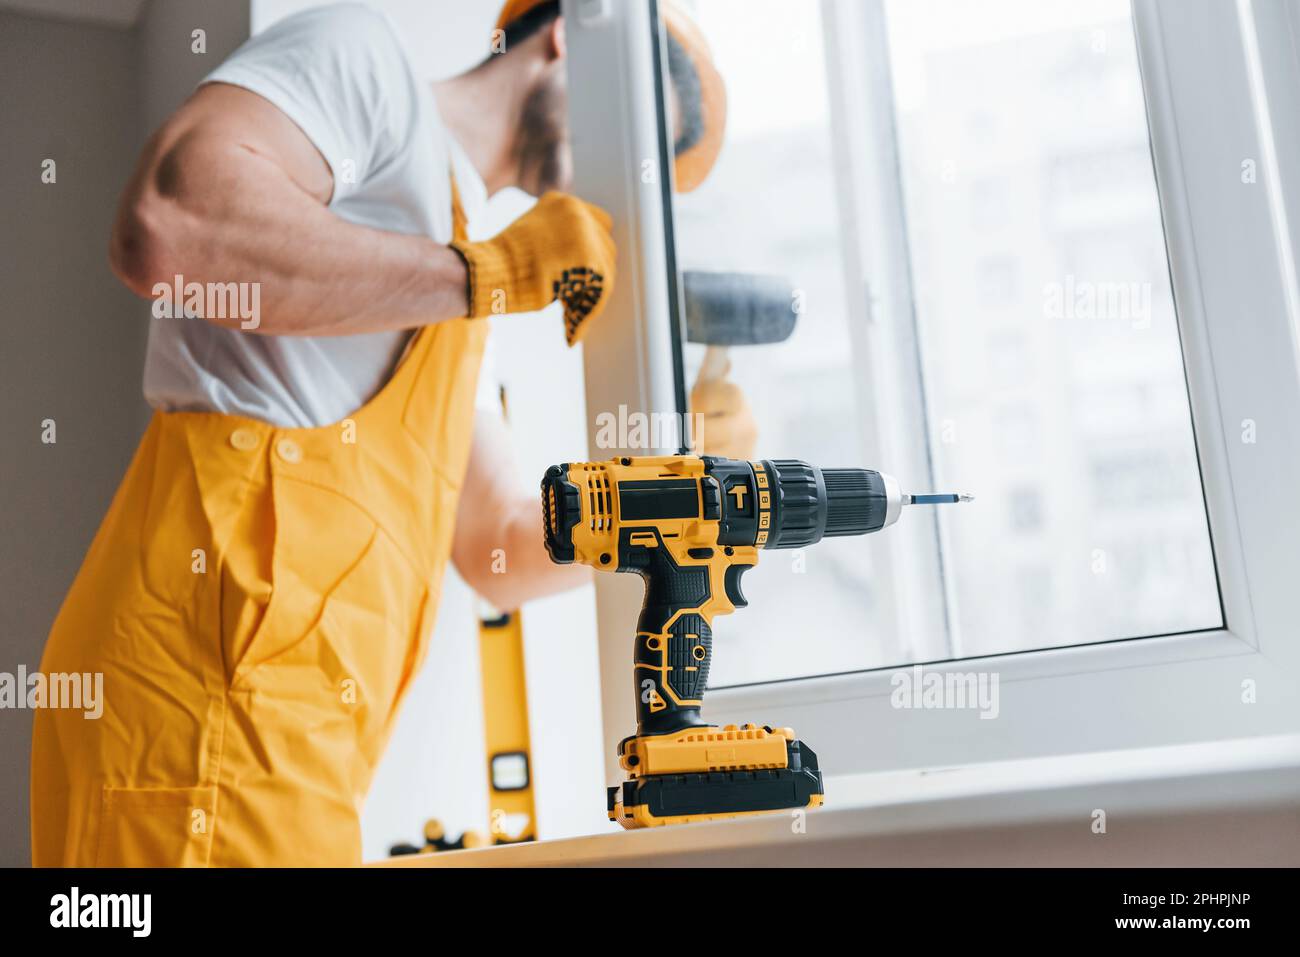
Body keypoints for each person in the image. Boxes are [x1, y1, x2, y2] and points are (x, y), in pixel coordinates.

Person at [31, 0, 746, 866]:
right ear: (564, 37)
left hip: (287, 733)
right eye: (634, 134)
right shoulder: (365, 62)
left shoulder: (456, 292)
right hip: (202, 698)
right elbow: (170, 229)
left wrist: (685, 490)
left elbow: (504, 548)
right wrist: (485, 275)